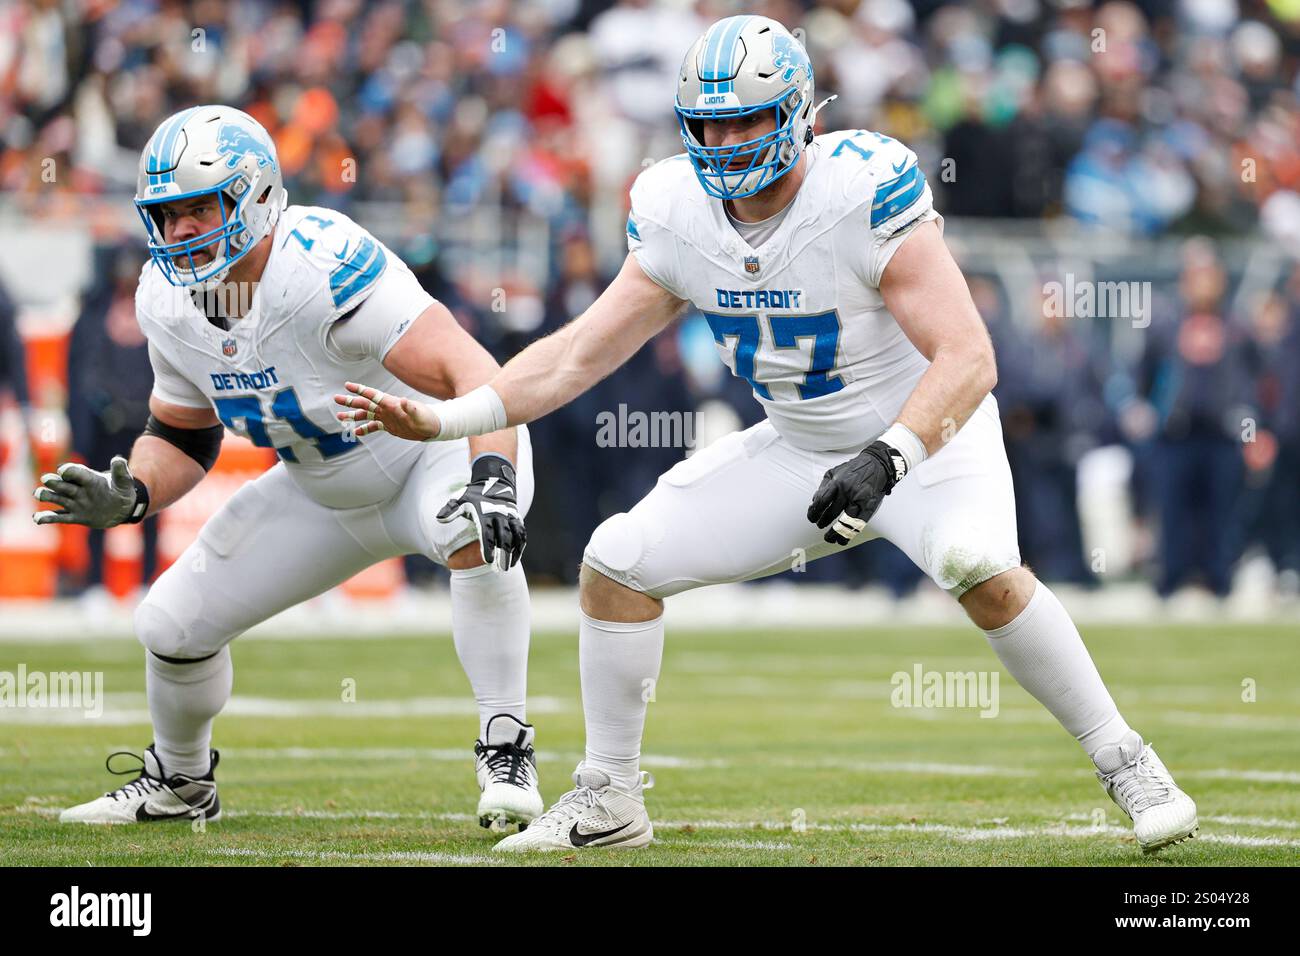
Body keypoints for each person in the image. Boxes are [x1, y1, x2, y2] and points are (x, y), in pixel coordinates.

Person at [338, 17, 1197, 854]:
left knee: (979, 568)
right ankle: (609, 795)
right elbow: (573, 358)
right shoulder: (677, 209)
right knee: (617, 561)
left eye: (746, 116)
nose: (725, 139)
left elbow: (970, 357)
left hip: (929, 437)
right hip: (800, 445)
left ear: (799, 114)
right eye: (708, 121)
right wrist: (454, 418)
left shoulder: (861, 187)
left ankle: (1129, 763)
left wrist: (893, 453)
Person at [34, 106, 542, 831]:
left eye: (198, 208)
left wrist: (492, 477)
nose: (179, 232)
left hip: (429, 456)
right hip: (320, 490)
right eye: (167, 214)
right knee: (170, 625)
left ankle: (505, 747)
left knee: (473, 529)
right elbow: (183, 437)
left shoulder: (322, 264)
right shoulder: (164, 299)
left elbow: (477, 376)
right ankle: (180, 783)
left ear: (258, 196)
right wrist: (135, 493)